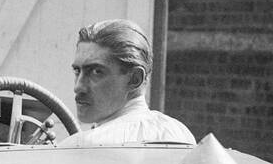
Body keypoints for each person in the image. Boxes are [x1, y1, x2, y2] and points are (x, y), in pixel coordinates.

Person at [57, 19, 194, 147]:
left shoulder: (81, 145)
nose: (78, 87)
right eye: (77, 71)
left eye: (96, 72)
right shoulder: (179, 133)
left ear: (135, 79)